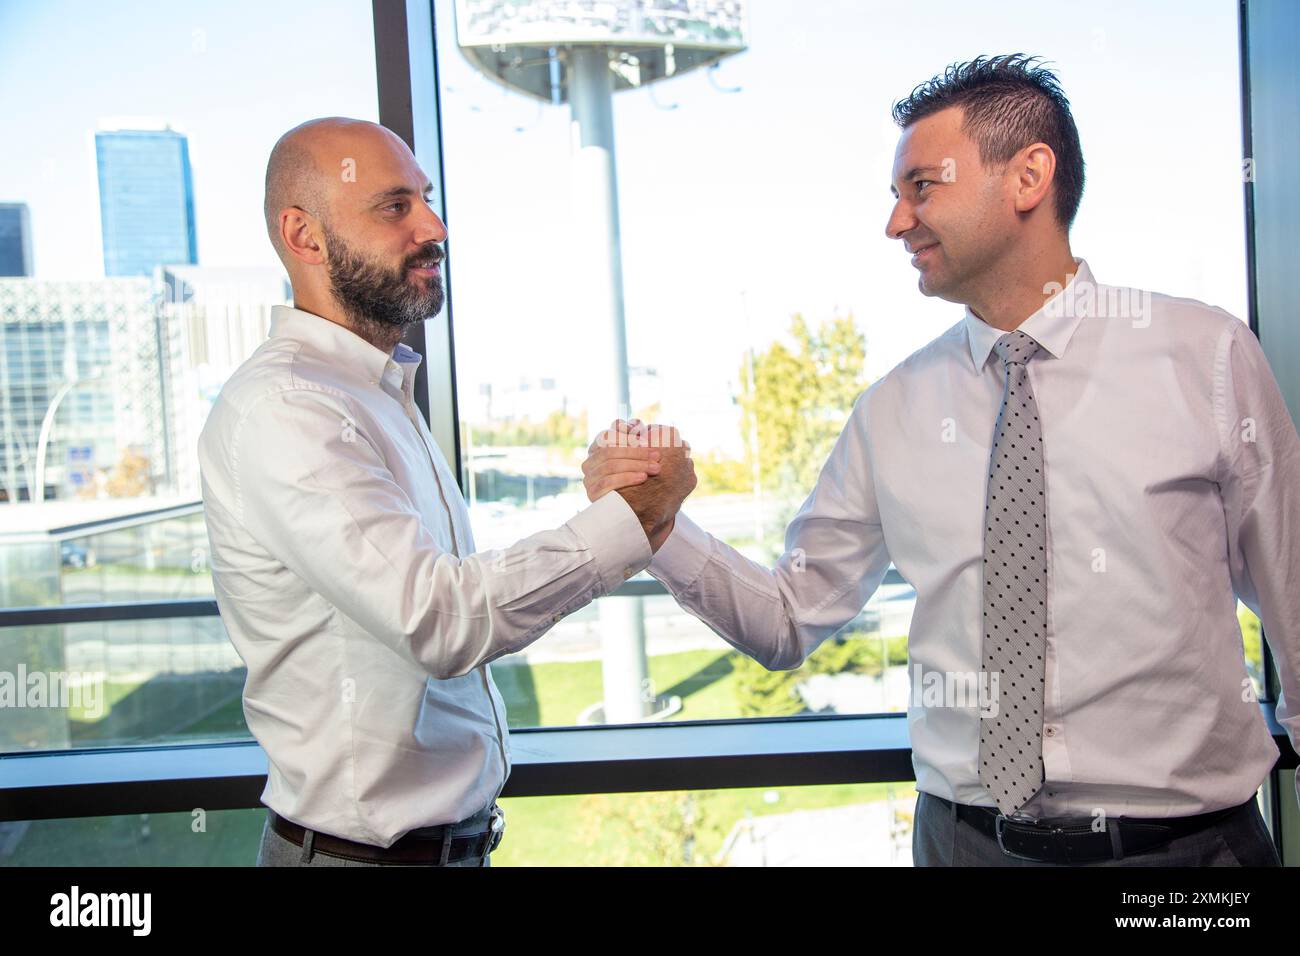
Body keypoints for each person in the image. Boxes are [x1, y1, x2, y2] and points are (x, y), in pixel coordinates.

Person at [582, 54, 1299, 866]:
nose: (896, 222)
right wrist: (659, 525)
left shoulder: (1203, 357)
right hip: (963, 847)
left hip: (1190, 858)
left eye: (921, 187)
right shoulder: (893, 409)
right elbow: (788, 619)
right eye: (896, 196)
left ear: (1029, 176)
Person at [197, 117, 695, 866]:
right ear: (304, 237)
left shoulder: (374, 393)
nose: (435, 226)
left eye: (426, 199)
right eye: (395, 206)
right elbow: (440, 619)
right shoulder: (289, 408)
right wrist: (628, 520)